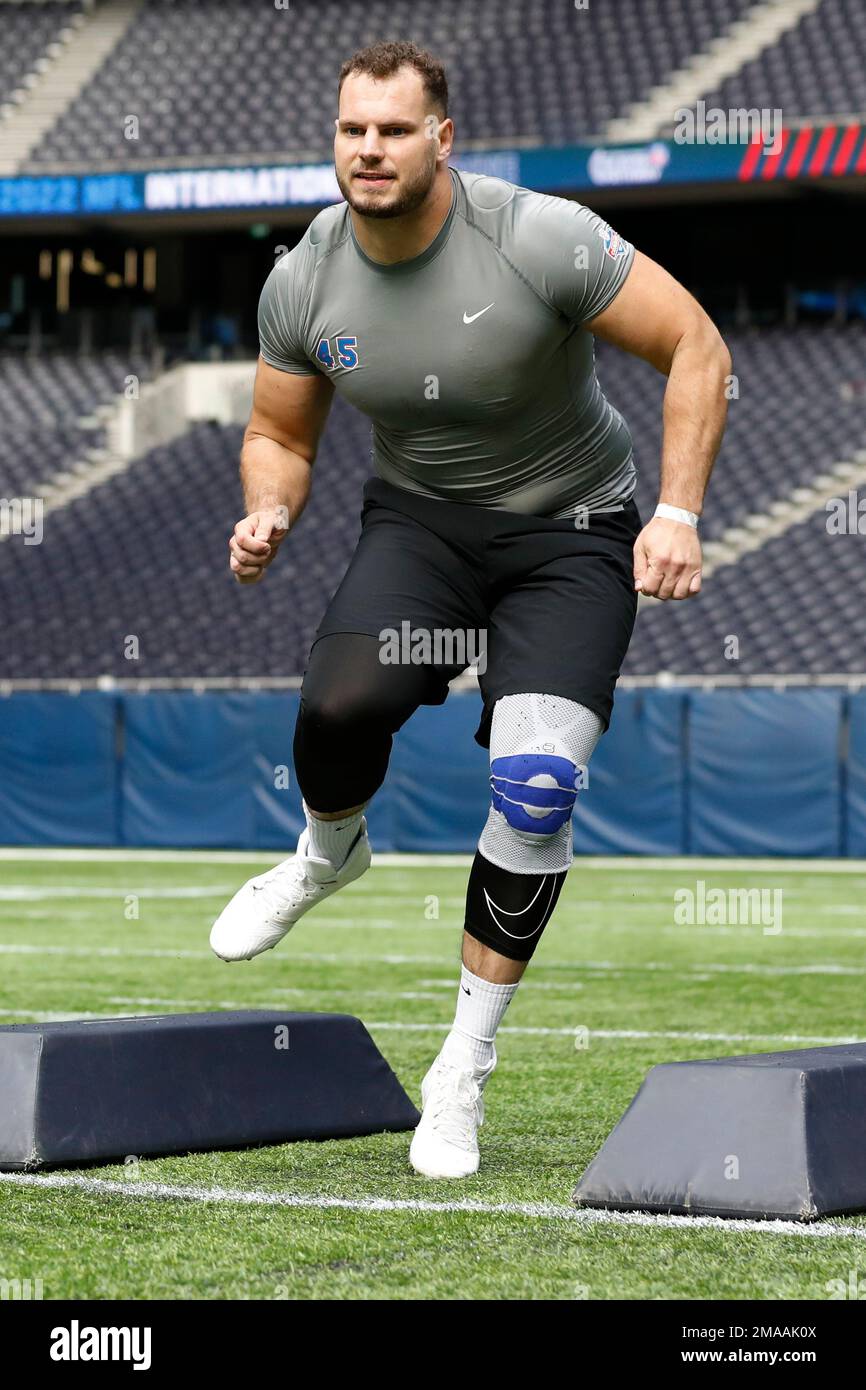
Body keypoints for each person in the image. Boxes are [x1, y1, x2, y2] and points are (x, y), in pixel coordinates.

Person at [210, 40, 731, 1179]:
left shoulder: (537, 236)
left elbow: (694, 342)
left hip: (571, 534)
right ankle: (326, 852)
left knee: (536, 789)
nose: (369, 150)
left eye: (394, 130)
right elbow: (280, 432)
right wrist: (268, 508)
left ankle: (461, 1067)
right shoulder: (304, 276)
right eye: (352, 129)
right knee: (338, 708)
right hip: (424, 531)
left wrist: (678, 511)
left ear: (441, 139)